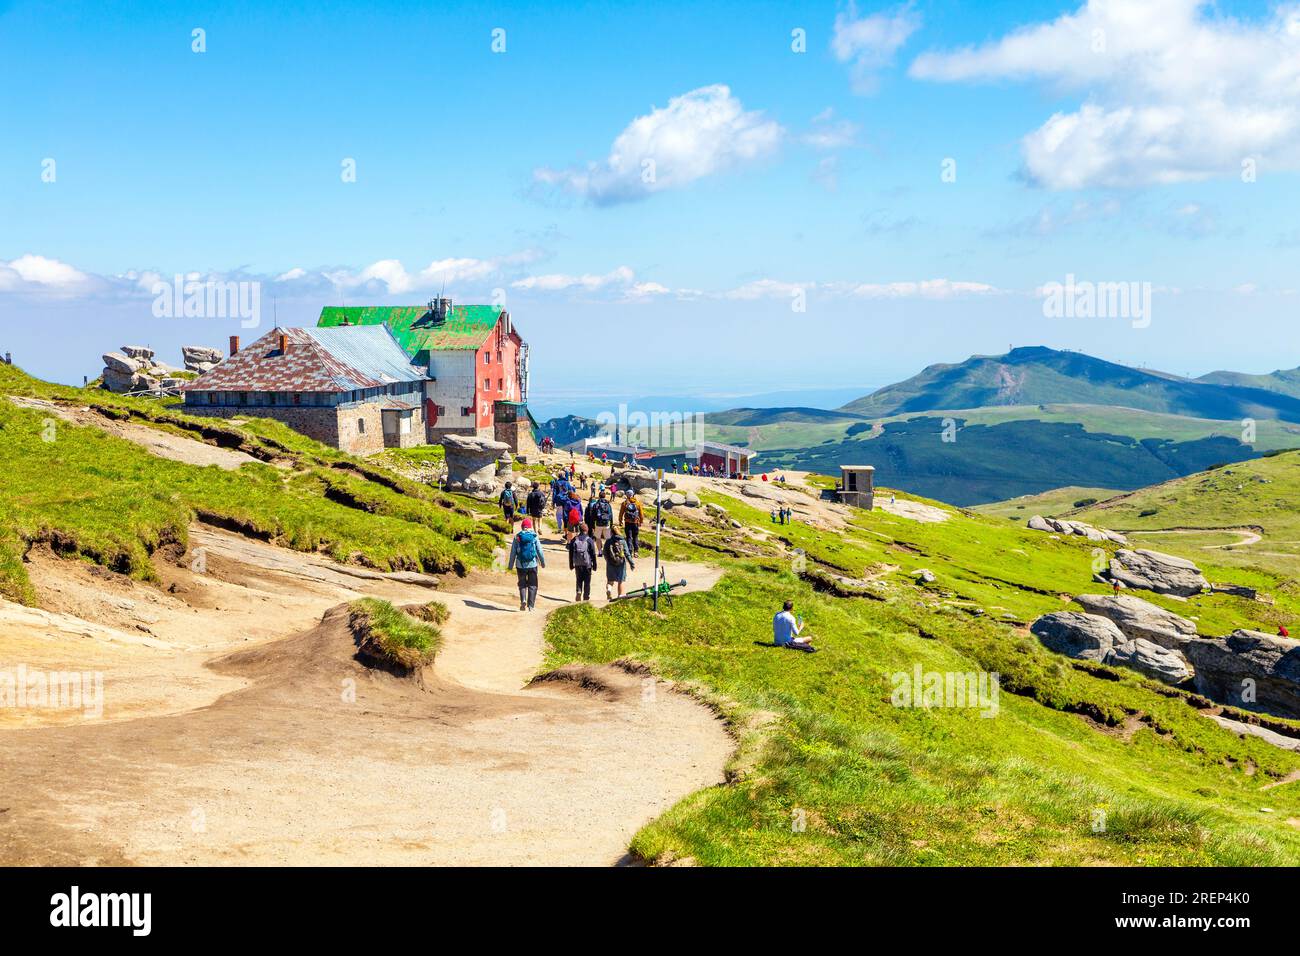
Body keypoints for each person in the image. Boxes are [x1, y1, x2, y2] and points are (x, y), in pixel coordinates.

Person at [507, 518, 545, 611]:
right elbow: (539, 550)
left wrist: (510, 565)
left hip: (520, 564)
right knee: (533, 585)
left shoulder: (517, 537)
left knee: (522, 583)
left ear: (522, 527)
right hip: (532, 564)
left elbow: (513, 552)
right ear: (530, 526)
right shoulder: (534, 536)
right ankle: (531, 606)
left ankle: (523, 600)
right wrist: (542, 562)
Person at [568, 522, 598, 602]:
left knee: (579, 579)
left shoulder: (574, 539)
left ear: (579, 530)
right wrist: (594, 565)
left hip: (577, 564)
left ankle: (578, 591)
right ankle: (586, 598)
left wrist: (571, 564)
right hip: (587, 565)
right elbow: (593, 554)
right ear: (587, 530)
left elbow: (571, 553)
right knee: (587, 582)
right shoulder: (589, 540)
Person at [603, 526, 635, 600]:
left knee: (610, 580)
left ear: (611, 532)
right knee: (621, 581)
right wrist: (631, 563)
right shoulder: (622, 541)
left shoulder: (608, 541)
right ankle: (620, 596)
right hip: (621, 564)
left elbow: (605, 552)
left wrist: (608, 560)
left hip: (610, 563)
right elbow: (627, 553)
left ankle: (609, 590)